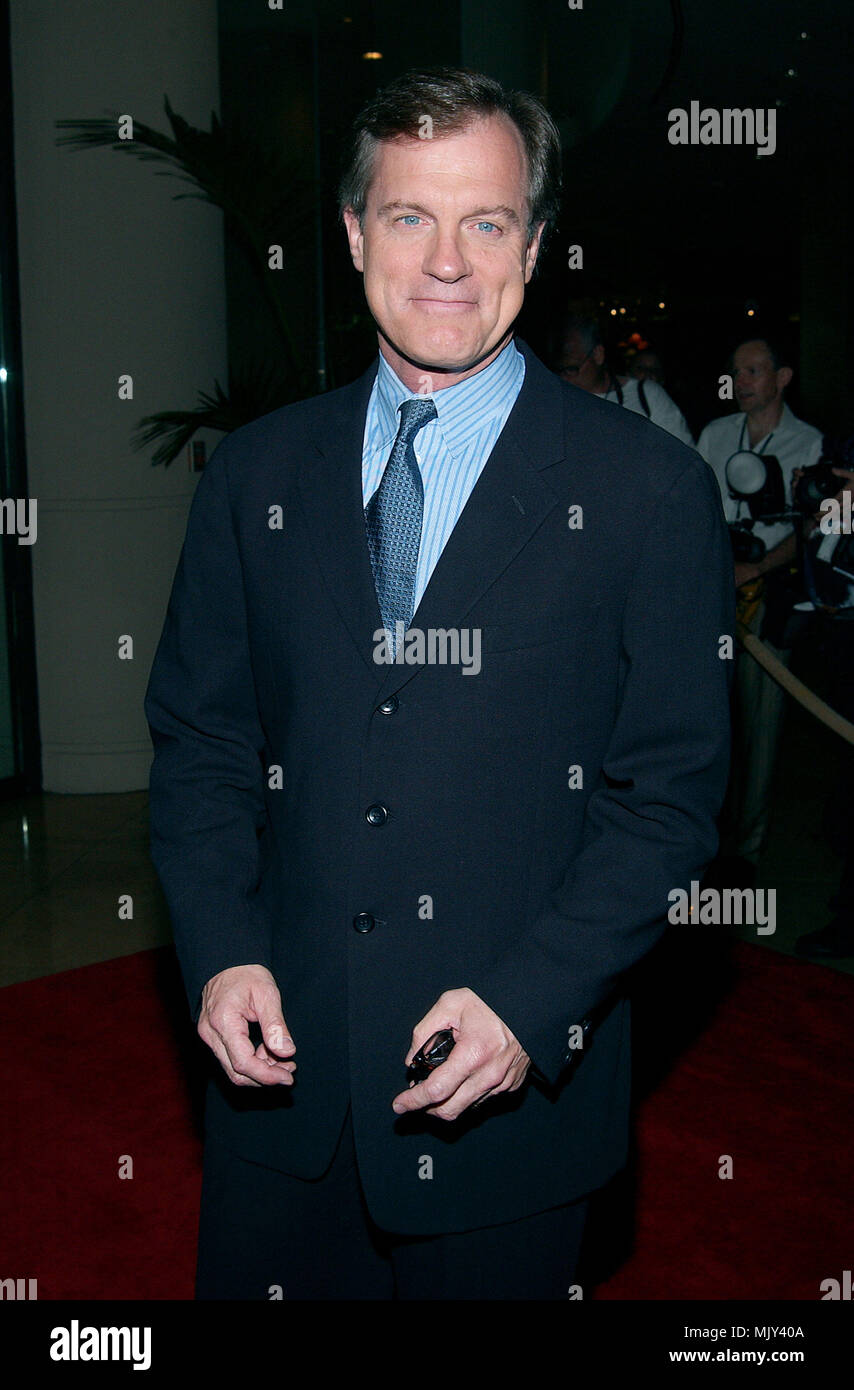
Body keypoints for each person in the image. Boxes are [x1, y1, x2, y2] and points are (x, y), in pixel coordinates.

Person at [144, 66, 733, 1301]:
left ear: (533, 244)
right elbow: (202, 741)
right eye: (410, 215)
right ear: (356, 233)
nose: (447, 260)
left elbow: (668, 799)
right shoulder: (254, 473)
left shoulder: (646, 492)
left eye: (487, 221)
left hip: (506, 1123)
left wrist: (532, 1005)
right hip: (280, 1100)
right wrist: (220, 951)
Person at [697, 337, 823, 882]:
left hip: (769, 597)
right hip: (712, 595)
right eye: (735, 371)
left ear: (783, 377)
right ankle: (702, 842)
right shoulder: (715, 434)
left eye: (754, 370)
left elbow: (812, 529)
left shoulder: (809, 442)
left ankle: (746, 854)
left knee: (762, 730)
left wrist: (757, 569)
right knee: (705, 725)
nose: (742, 381)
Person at [553, 313, 695, 445]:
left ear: (598, 355)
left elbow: (683, 457)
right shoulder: (557, 402)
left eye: (572, 369)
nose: (564, 378)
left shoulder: (647, 396)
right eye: (559, 370)